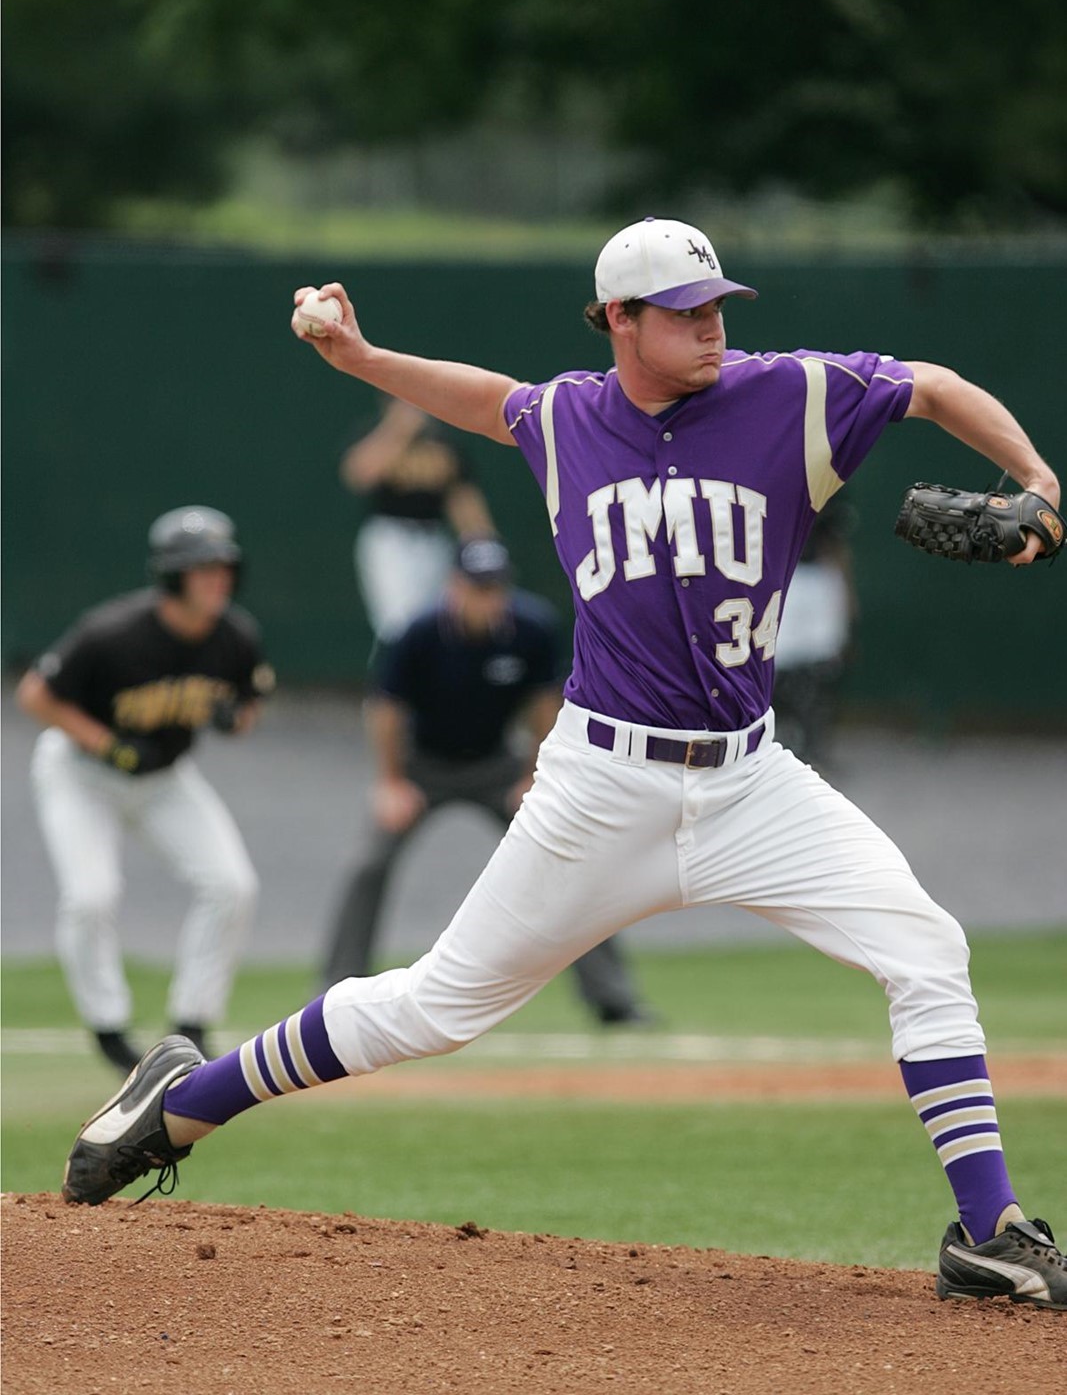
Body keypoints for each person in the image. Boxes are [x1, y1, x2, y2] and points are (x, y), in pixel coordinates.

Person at [62, 219, 1064, 1312]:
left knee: (924, 949)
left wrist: (1033, 477)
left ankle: (987, 1230)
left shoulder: (792, 394)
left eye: (716, 302)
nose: (710, 324)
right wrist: (359, 359)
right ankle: (175, 1103)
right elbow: (481, 397)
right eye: (683, 310)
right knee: (433, 1010)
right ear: (617, 321)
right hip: (601, 784)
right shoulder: (566, 417)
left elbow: (929, 383)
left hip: (750, 780)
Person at [321, 533, 651, 1025]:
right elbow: (386, 709)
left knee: (570, 857)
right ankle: (331, 996)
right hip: (423, 766)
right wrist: (390, 782)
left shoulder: (531, 628)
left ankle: (612, 998)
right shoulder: (417, 633)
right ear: (454, 587)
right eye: (477, 588)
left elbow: (546, 707)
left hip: (498, 764)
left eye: (495, 588)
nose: (487, 599)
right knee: (368, 864)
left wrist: (533, 777)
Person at [18, 506, 273, 1072]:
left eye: (223, 567)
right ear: (171, 576)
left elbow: (247, 705)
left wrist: (236, 718)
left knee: (232, 885)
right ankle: (109, 1028)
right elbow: (36, 693)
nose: (217, 579)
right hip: (81, 774)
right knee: (91, 896)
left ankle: (191, 1022)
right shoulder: (112, 634)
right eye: (201, 568)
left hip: (164, 779)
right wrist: (105, 743)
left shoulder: (235, 637)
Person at [340, 395, 495, 645]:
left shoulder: (444, 443)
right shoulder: (374, 434)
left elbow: (464, 501)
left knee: (437, 620)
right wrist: (399, 430)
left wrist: (484, 541)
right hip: (389, 539)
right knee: (396, 625)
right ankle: (397, 679)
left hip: (434, 539)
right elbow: (359, 475)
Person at [772, 492, 857, 770]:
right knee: (779, 667)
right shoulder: (777, 483)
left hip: (821, 580)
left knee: (822, 667)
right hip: (789, 578)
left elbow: (837, 547)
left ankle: (814, 745)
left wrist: (846, 596)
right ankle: (782, 742)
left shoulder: (834, 492)